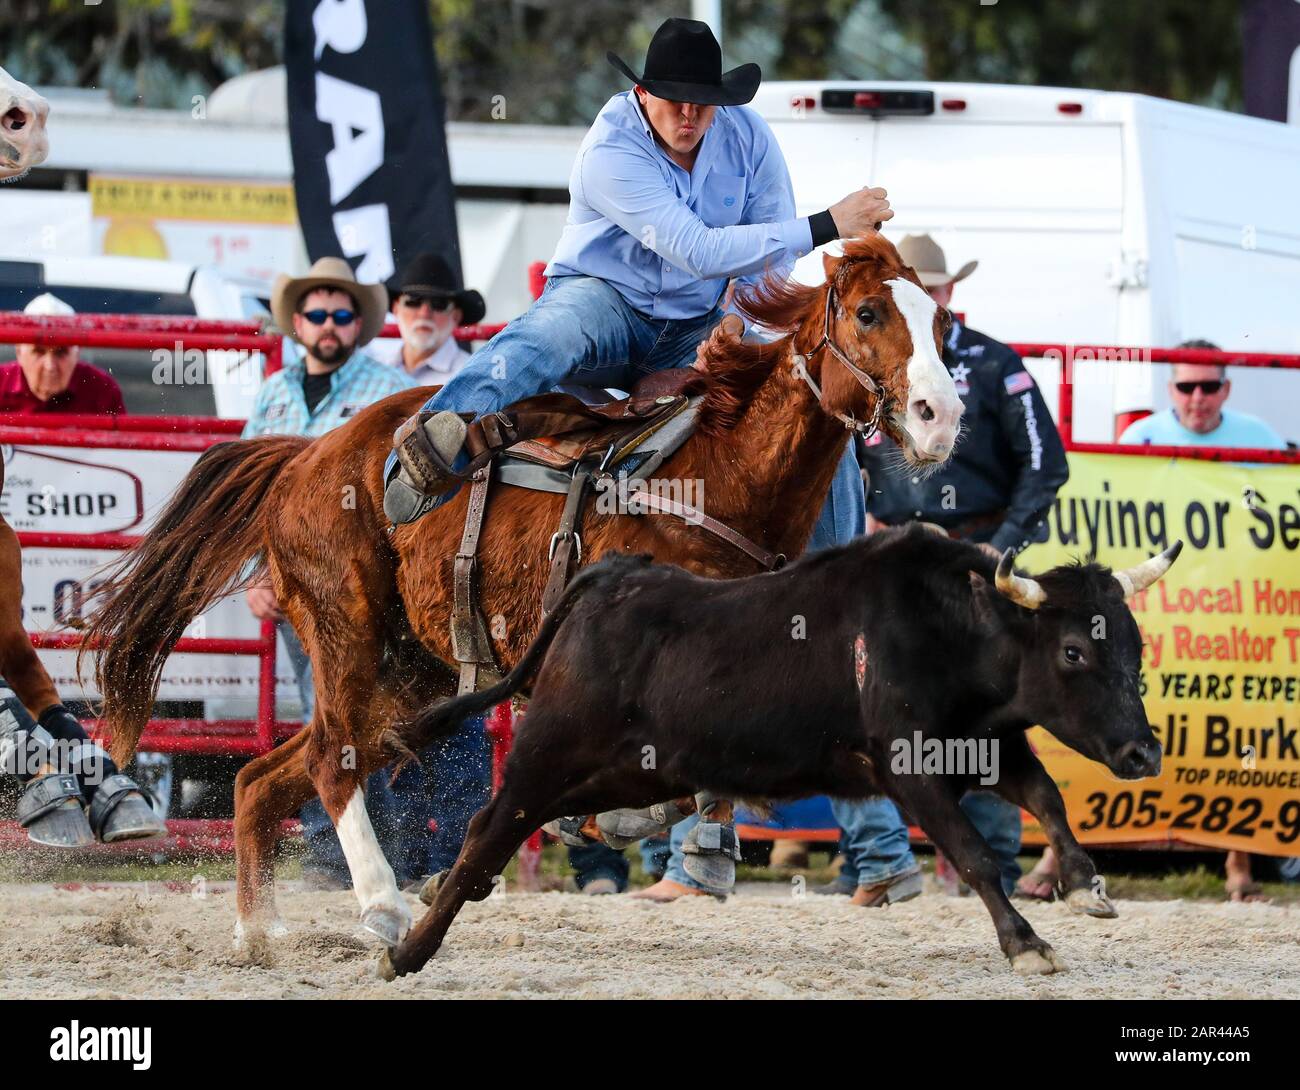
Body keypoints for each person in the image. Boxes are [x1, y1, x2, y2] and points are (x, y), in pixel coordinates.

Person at [381, 17, 893, 901]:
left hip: (703, 322)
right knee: (547, 335)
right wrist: (826, 224)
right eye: (676, 101)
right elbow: (698, 245)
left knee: (817, 433)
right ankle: (435, 433)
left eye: (704, 102)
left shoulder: (748, 135)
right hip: (611, 301)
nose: (691, 116)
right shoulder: (609, 146)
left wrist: (738, 343)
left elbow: (762, 266)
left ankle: (836, 576)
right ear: (643, 95)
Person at [837, 233, 1070, 902]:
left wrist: (1000, 546)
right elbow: (846, 458)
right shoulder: (876, 367)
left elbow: (1044, 464)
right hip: (891, 556)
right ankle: (873, 862)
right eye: (914, 289)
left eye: (932, 287)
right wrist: (865, 523)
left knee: (983, 709)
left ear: (948, 293)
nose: (926, 298)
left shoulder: (994, 365)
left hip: (973, 554)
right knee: (867, 701)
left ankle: (984, 866)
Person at [242, 256, 473, 891]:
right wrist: (260, 571)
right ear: (297, 322)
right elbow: (257, 499)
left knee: (358, 717)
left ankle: (378, 858)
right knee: (329, 718)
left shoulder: (380, 390)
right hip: (301, 576)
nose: (329, 324)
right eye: (317, 314)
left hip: (365, 578)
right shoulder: (273, 393)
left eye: (342, 315)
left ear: (357, 325)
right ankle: (335, 855)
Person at [0, 296, 158, 846]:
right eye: (36, 350)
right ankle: (103, 782)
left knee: (12, 656)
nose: (48, 364)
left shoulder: (99, 392)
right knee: (14, 659)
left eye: (59, 351)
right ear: (19, 348)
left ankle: (49, 777)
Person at [1119, 342, 1288, 449]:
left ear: (1226, 389)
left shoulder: (1260, 436)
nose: (1198, 397)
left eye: (1209, 386)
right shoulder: (1138, 438)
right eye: (1186, 387)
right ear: (1171, 389)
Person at [0, 293, 125, 414]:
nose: (50, 366)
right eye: (39, 352)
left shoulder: (102, 389)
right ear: (19, 352)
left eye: (61, 352)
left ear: (77, 353)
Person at [371, 253, 486, 384]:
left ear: (456, 316)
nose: (424, 313)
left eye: (439, 304)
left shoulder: (472, 379)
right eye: (413, 301)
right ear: (396, 308)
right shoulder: (372, 370)